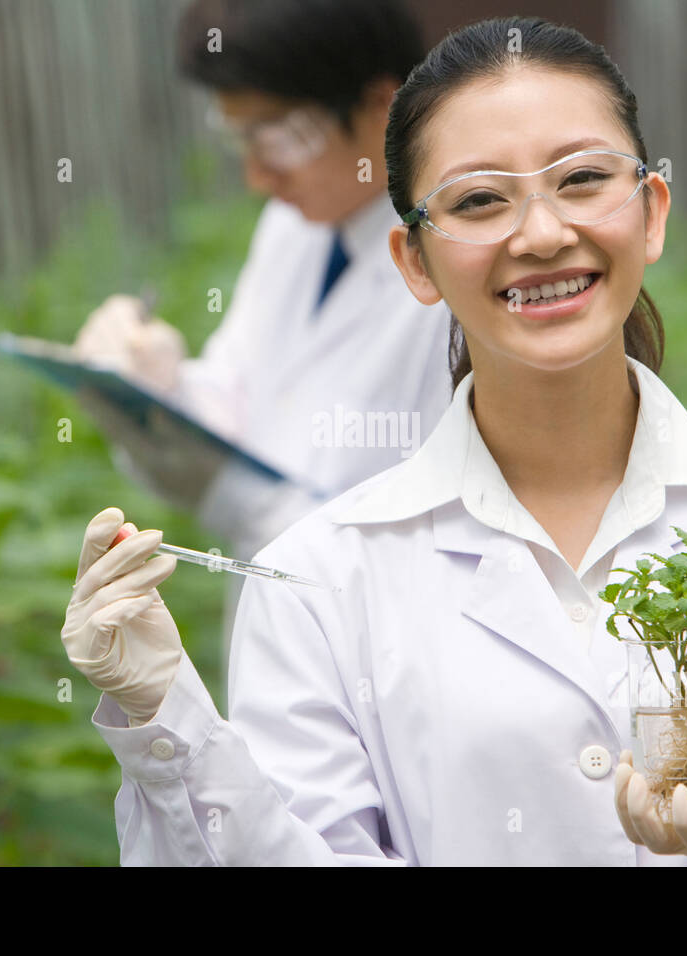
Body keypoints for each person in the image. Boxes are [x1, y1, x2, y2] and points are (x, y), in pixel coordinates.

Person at [61, 16, 687, 865]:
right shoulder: (316, 583)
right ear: (414, 261)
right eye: (477, 202)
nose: (543, 233)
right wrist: (163, 719)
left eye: (583, 179)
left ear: (653, 210)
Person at [72, 0, 451, 689]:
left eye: (274, 137)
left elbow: (419, 550)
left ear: (379, 103)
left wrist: (226, 492)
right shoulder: (296, 228)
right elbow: (240, 399)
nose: (257, 176)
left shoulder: (459, 273)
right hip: (279, 642)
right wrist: (154, 387)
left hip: (399, 669)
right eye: (238, 139)